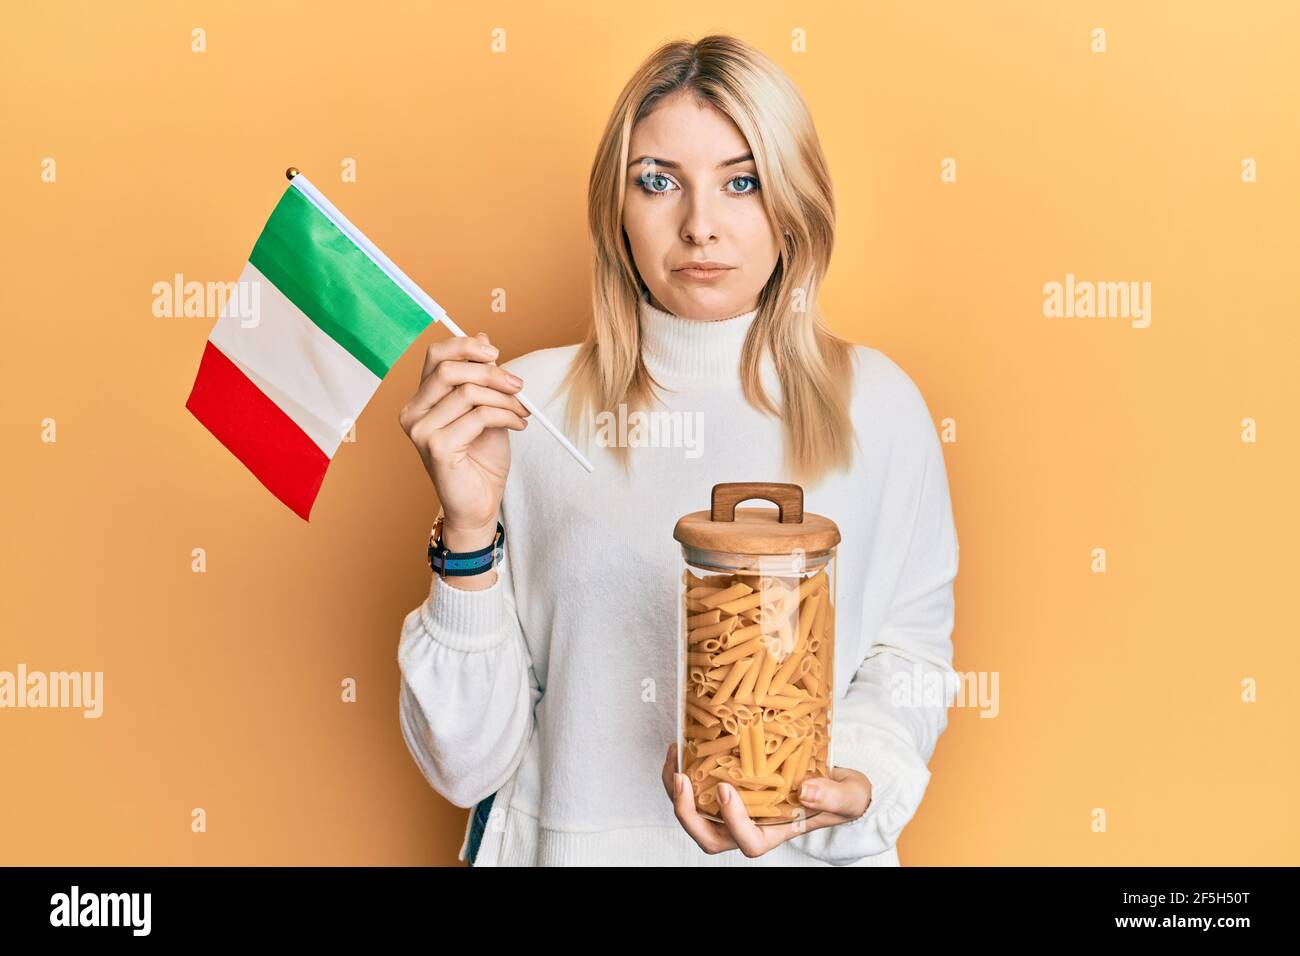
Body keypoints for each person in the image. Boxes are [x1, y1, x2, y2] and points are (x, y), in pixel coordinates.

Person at [396, 34, 959, 866]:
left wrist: (862, 778)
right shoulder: (524, 410)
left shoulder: (876, 407)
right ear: (615, 210)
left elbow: (909, 658)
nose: (700, 227)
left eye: (743, 182)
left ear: (794, 204)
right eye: (658, 183)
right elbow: (464, 764)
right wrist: (467, 532)